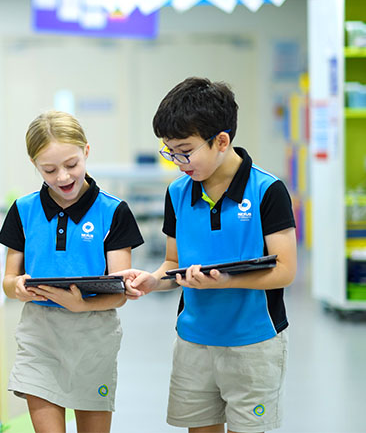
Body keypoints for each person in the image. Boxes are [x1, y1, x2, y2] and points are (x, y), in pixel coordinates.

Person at [117, 77, 297, 433]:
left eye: (185, 151)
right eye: (169, 152)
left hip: (254, 342)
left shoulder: (267, 190)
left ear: (221, 141)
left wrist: (228, 280)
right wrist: (153, 280)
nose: (177, 162)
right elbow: (173, 262)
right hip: (194, 342)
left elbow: (286, 269)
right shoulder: (177, 192)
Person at [0, 110, 144, 432]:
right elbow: (8, 281)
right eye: (49, 170)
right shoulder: (23, 210)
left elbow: (118, 292)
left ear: (86, 152)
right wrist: (16, 286)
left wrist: (82, 304)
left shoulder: (113, 211)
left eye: (72, 165)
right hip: (39, 334)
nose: (62, 177)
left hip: (93, 335)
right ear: (35, 165)